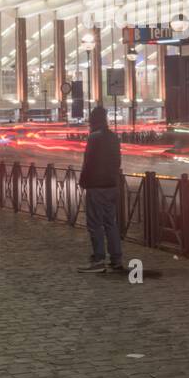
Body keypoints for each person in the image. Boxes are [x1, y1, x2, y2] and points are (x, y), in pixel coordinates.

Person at [77, 105, 123, 273]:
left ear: (93, 120)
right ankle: (116, 259)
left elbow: (88, 163)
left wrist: (83, 181)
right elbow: (118, 162)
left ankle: (98, 260)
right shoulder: (114, 137)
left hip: (96, 186)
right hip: (111, 185)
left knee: (95, 223)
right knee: (111, 222)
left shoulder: (93, 138)